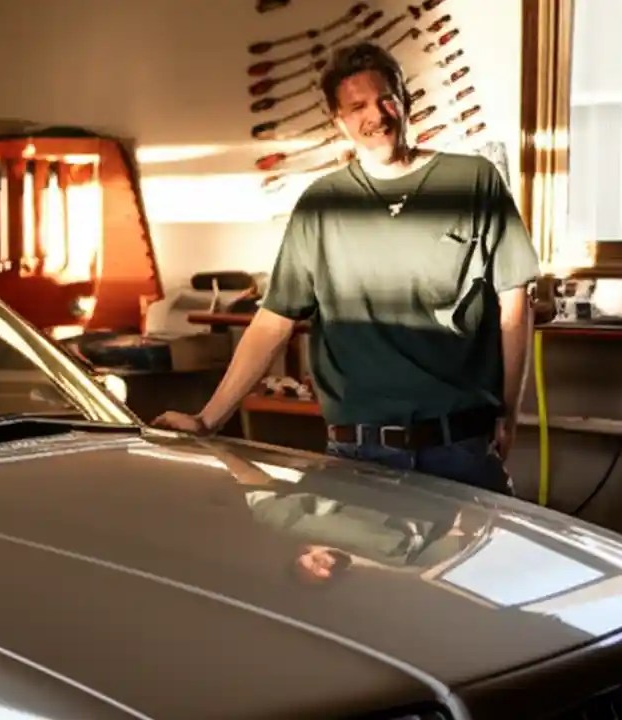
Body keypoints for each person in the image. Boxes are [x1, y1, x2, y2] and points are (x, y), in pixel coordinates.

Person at [154, 41, 539, 495]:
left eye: (385, 99)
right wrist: (207, 419)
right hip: (360, 454)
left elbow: (515, 305)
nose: (376, 115)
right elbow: (274, 320)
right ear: (339, 120)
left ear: (405, 100)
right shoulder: (322, 203)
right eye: (357, 107)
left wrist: (509, 413)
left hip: (461, 447)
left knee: (486, 546)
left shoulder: (473, 180)